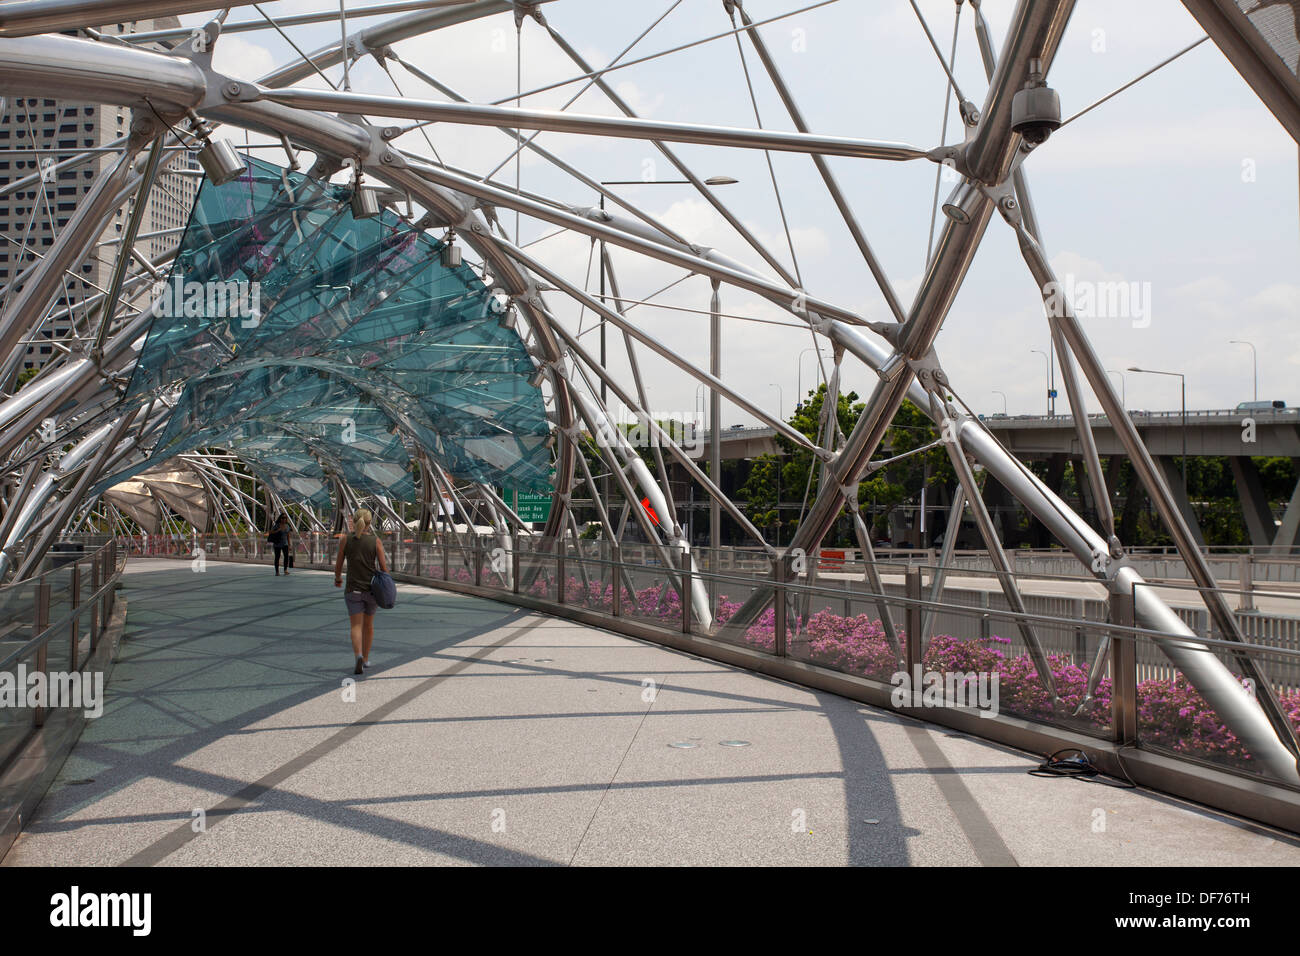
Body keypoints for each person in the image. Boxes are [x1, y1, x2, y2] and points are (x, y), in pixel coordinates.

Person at [334, 507, 388, 675]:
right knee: (368, 626)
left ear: (355, 520)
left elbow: (338, 564)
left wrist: (338, 579)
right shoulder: (375, 541)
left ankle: (357, 655)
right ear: (369, 523)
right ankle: (365, 658)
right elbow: (384, 568)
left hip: (352, 589)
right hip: (371, 590)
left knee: (356, 626)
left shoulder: (345, 540)